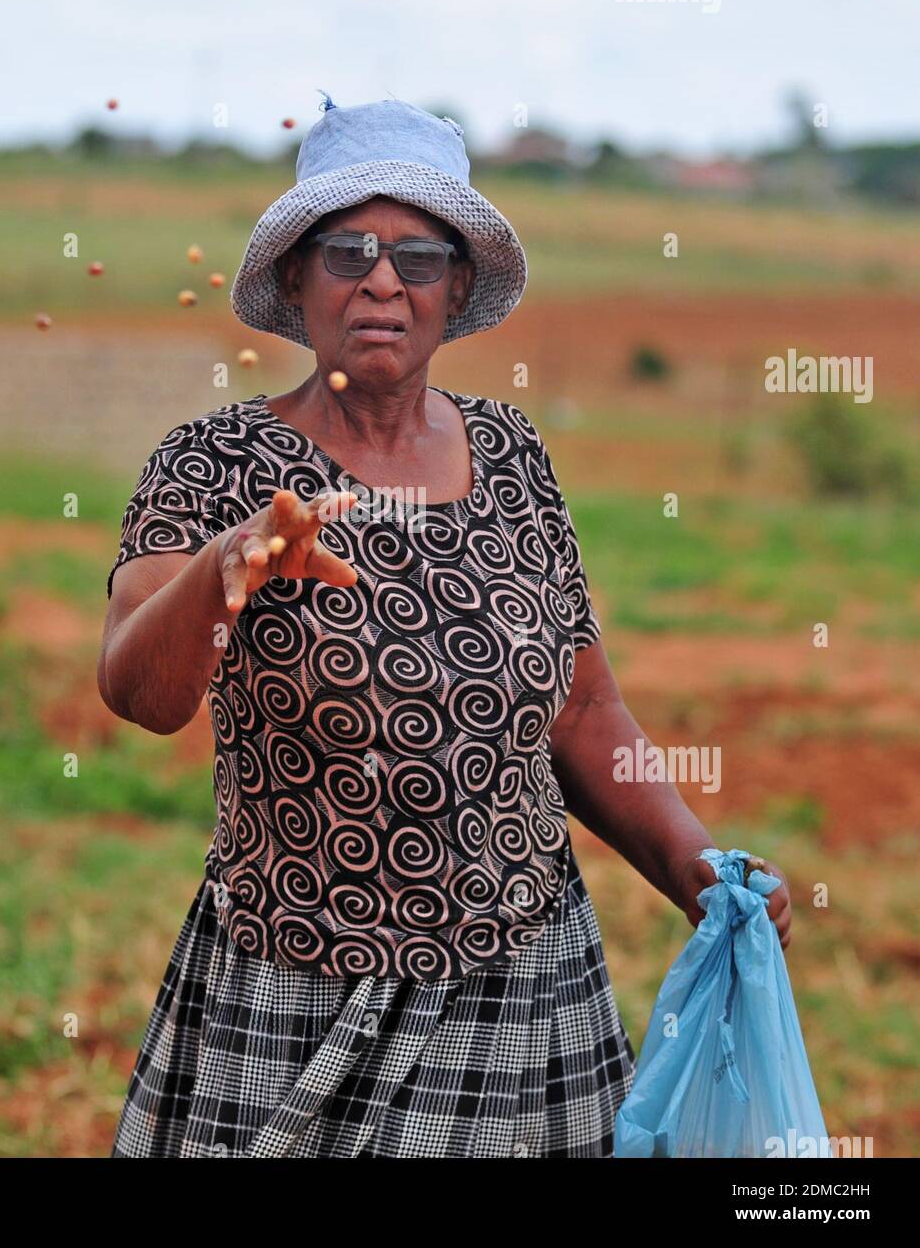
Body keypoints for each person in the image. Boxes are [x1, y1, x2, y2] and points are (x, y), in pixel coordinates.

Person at [98, 93, 792, 1158]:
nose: (383, 279)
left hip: (520, 994)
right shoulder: (214, 462)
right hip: (295, 1001)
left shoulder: (511, 456)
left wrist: (694, 866)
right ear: (296, 277)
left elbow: (582, 709)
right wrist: (224, 566)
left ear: (456, 288)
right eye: (349, 251)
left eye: (419, 258)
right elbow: (138, 694)